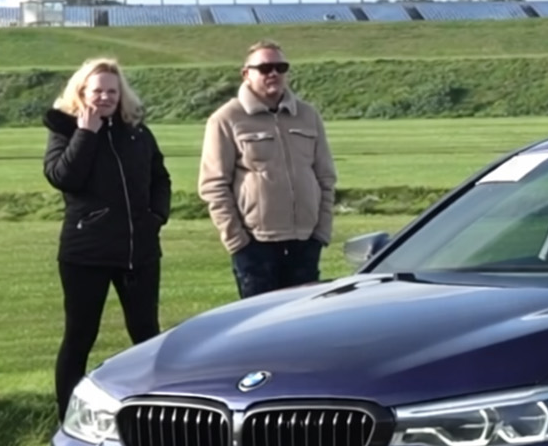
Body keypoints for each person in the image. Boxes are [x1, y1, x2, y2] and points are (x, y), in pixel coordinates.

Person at [43, 58, 172, 420]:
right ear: (81, 92)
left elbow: (160, 178)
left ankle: (155, 415)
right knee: (80, 336)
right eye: (97, 90)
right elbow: (63, 177)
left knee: (147, 336)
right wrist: (86, 133)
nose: (105, 97)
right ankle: (67, 417)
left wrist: (155, 218)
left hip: (139, 251)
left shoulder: (136, 132)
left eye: (112, 91)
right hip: (86, 253)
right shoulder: (65, 130)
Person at [199, 40, 338, 298]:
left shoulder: (308, 116)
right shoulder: (226, 119)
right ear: (246, 74)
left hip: (305, 242)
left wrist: (321, 232)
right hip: (255, 244)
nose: (273, 73)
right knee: (259, 328)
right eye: (264, 68)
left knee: (303, 324)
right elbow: (213, 186)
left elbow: (325, 178)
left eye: (280, 67)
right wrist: (237, 242)